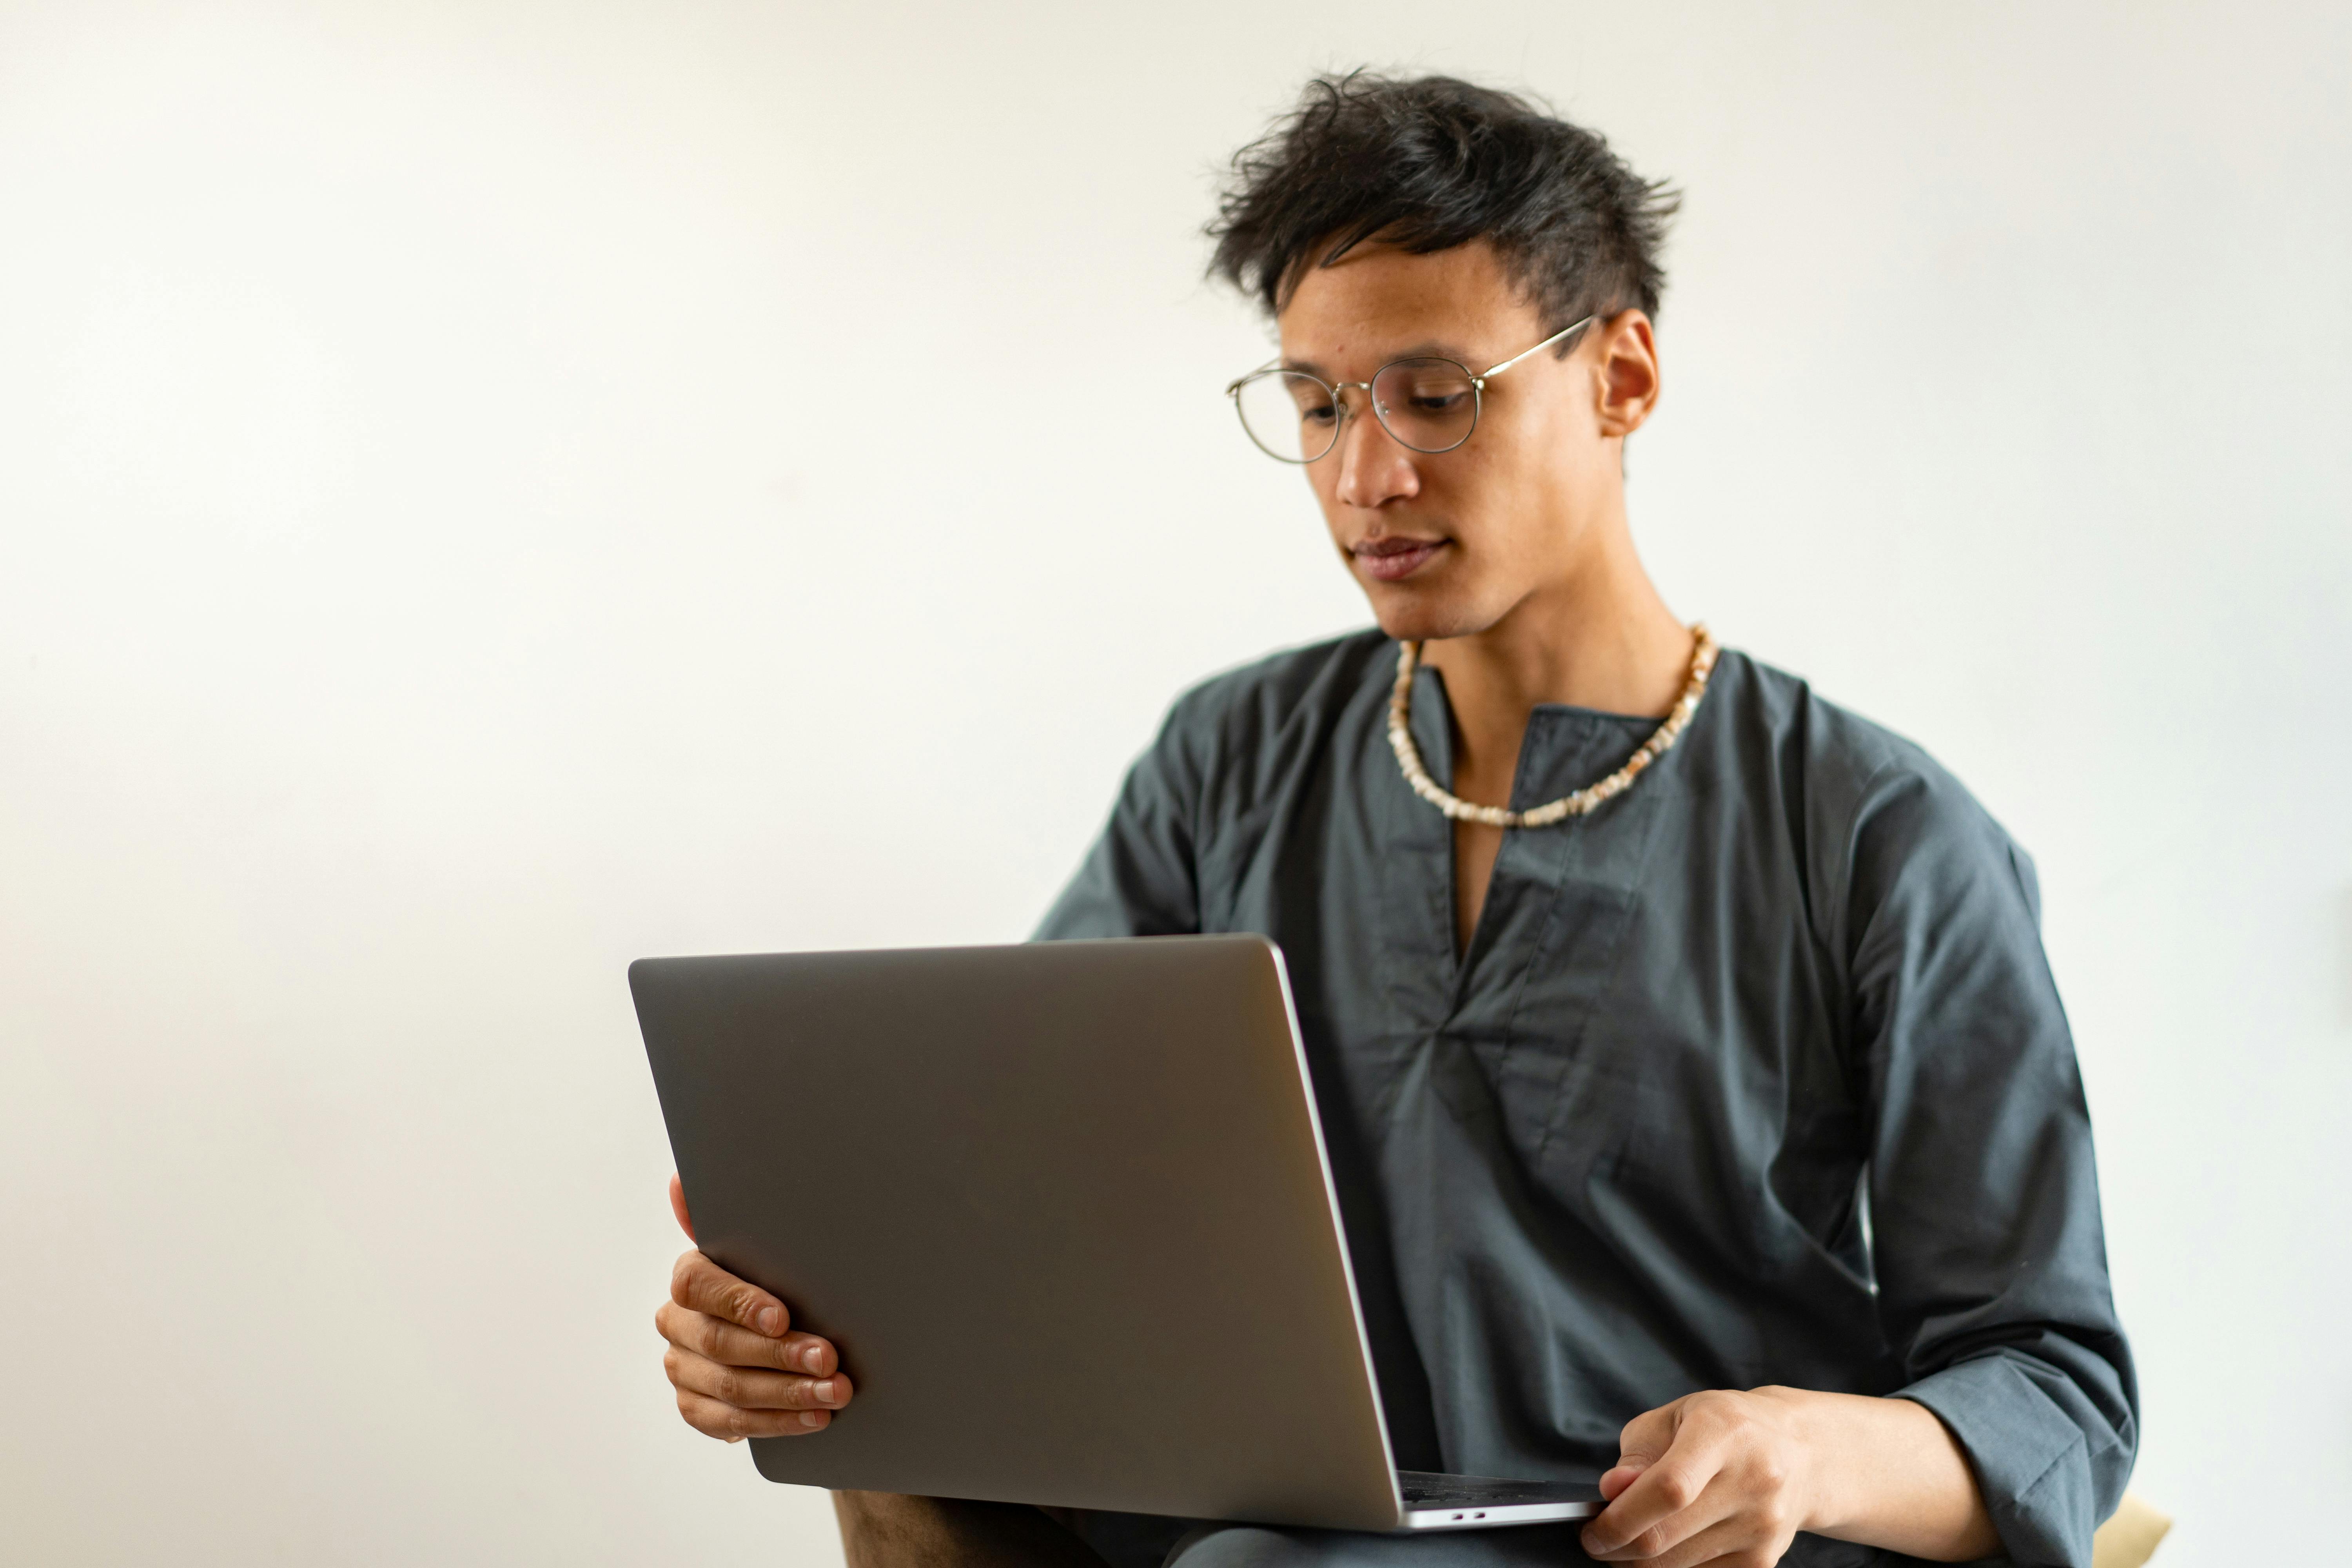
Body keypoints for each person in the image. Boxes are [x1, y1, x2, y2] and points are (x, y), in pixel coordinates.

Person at [652, 73, 2136, 1568]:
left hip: (1670, 1549)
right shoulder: (1232, 758)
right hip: (1290, 1521)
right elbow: (1018, 1181)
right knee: (905, 1457)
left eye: (1439, 395)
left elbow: (2053, 1391)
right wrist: (796, 1321)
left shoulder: (1879, 834)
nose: (1364, 476)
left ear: (1620, 377)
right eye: (1315, 403)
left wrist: (1800, 1446)